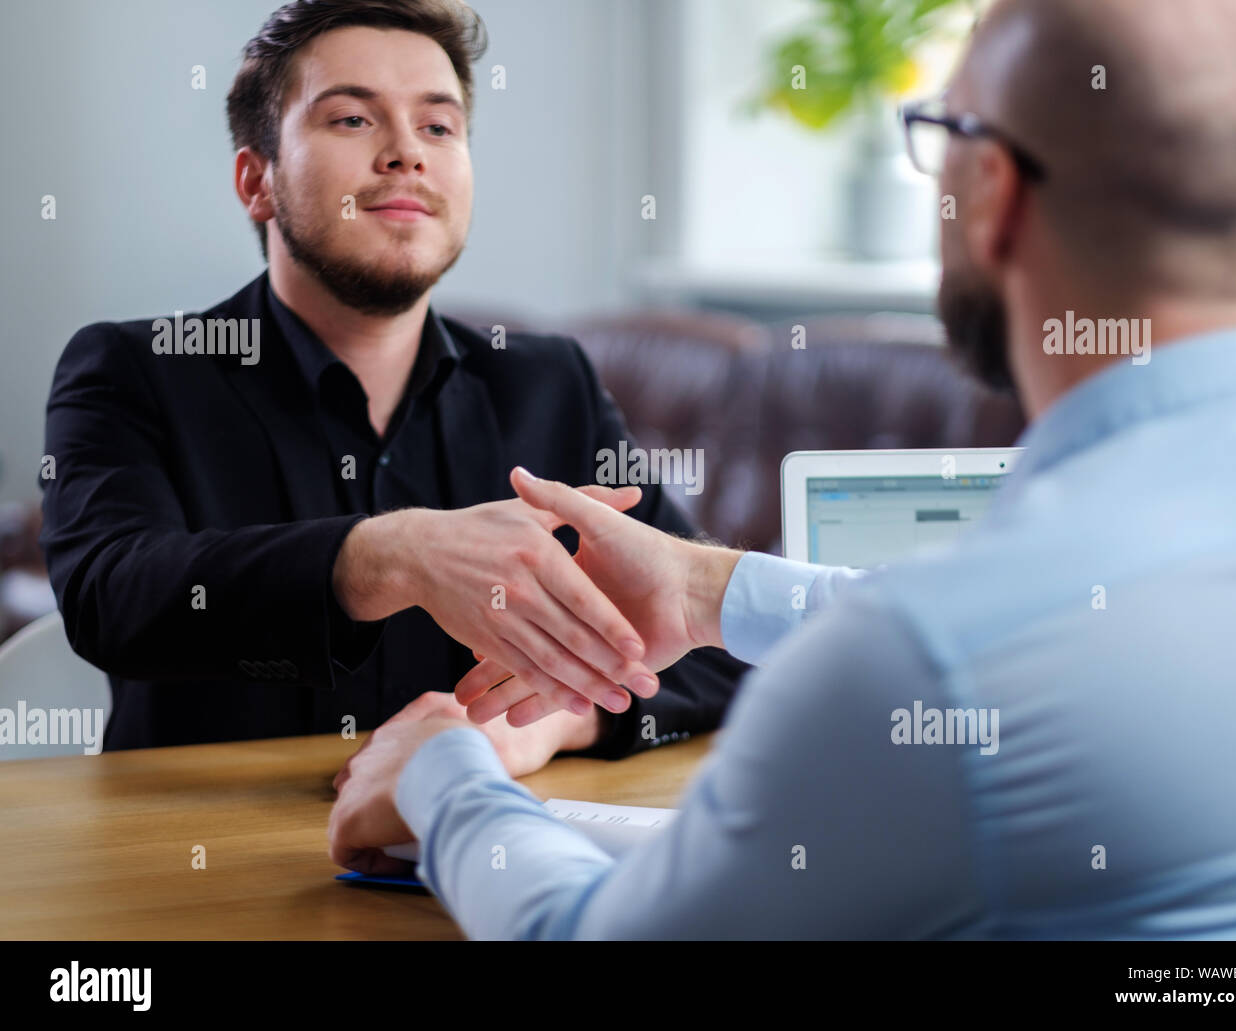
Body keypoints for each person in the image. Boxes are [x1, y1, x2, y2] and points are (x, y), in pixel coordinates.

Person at [329, 0, 1236, 938]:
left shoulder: (922, 661)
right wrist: (713, 586)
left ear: (994, 191)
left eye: (940, 129)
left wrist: (446, 776)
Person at [38, 0, 747, 770]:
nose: (407, 152)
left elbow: (716, 645)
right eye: (351, 119)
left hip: (476, 858)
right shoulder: (134, 370)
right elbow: (113, 599)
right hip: (200, 862)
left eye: (439, 127)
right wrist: (391, 554)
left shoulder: (550, 385)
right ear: (257, 181)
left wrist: (545, 725)